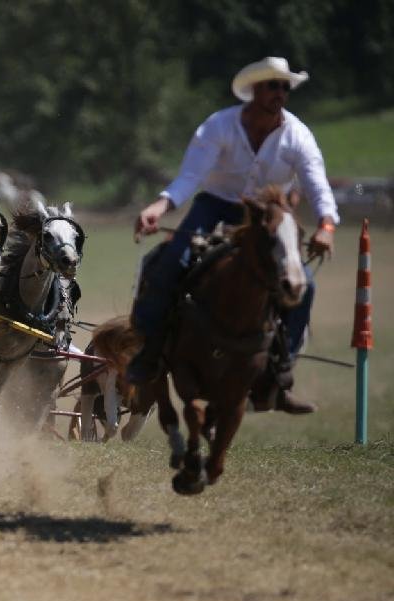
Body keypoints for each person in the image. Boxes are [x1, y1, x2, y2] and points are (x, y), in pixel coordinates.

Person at [128, 56, 338, 414]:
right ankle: (148, 355)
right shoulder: (219, 125)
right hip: (214, 207)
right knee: (169, 263)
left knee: (305, 286)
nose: (280, 92)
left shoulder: (298, 136)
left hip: (268, 218)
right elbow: (190, 177)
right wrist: (159, 208)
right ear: (255, 89)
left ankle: (279, 378)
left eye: (284, 87)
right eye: (272, 85)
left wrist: (326, 227)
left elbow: (318, 188)